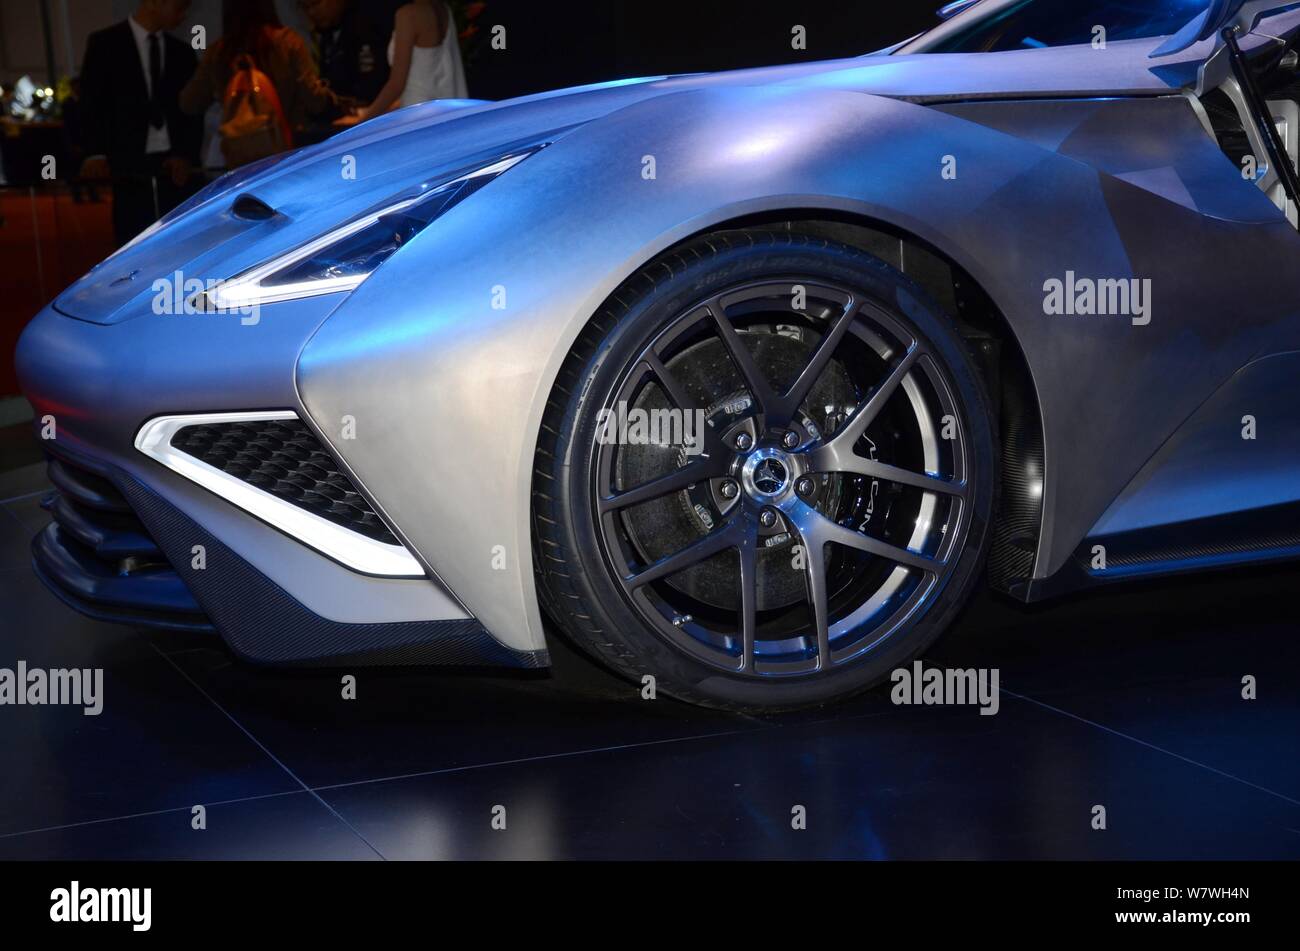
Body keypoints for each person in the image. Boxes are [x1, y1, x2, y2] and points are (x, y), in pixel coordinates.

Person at [78, 0, 203, 247]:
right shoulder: (104, 43)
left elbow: (191, 113)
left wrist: (185, 154)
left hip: (173, 167)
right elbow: (92, 103)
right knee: (132, 240)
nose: (183, 16)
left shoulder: (183, 52)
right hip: (127, 164)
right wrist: (95, 153)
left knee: (180, 240)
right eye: (179, 7)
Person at [180, 0, 345, 153]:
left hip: (239, 153)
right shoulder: (288, 43)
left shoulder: (219, 53)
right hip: (288, 150)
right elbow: (315, 101)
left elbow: (189, 103)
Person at [350, 0, 466, 123]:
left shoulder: (408, 15)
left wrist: (360, 122)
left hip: (417, 115)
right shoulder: (442, 9)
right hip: (442, 111)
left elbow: (396, 85)